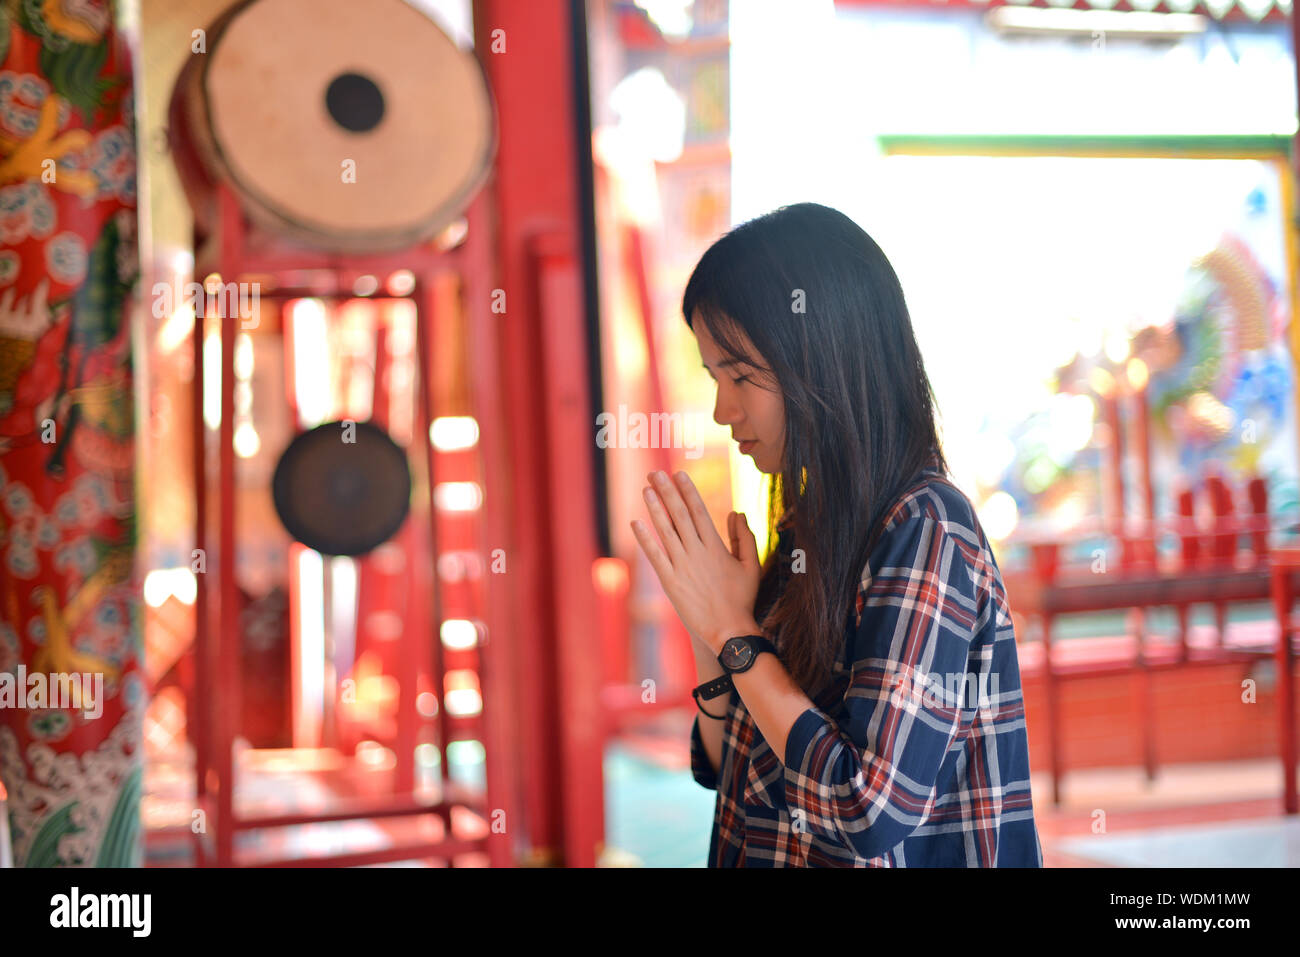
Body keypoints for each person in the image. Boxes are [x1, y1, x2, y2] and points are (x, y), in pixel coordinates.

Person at [630, 202, 1044, 867]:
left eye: (740, 374)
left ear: (822, 358)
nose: (722, 409)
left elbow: (866, 811)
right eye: (715, 377)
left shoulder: (925, 530)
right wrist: (717, 634)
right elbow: (723, 761)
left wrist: (734, 636)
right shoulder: (806, 524)